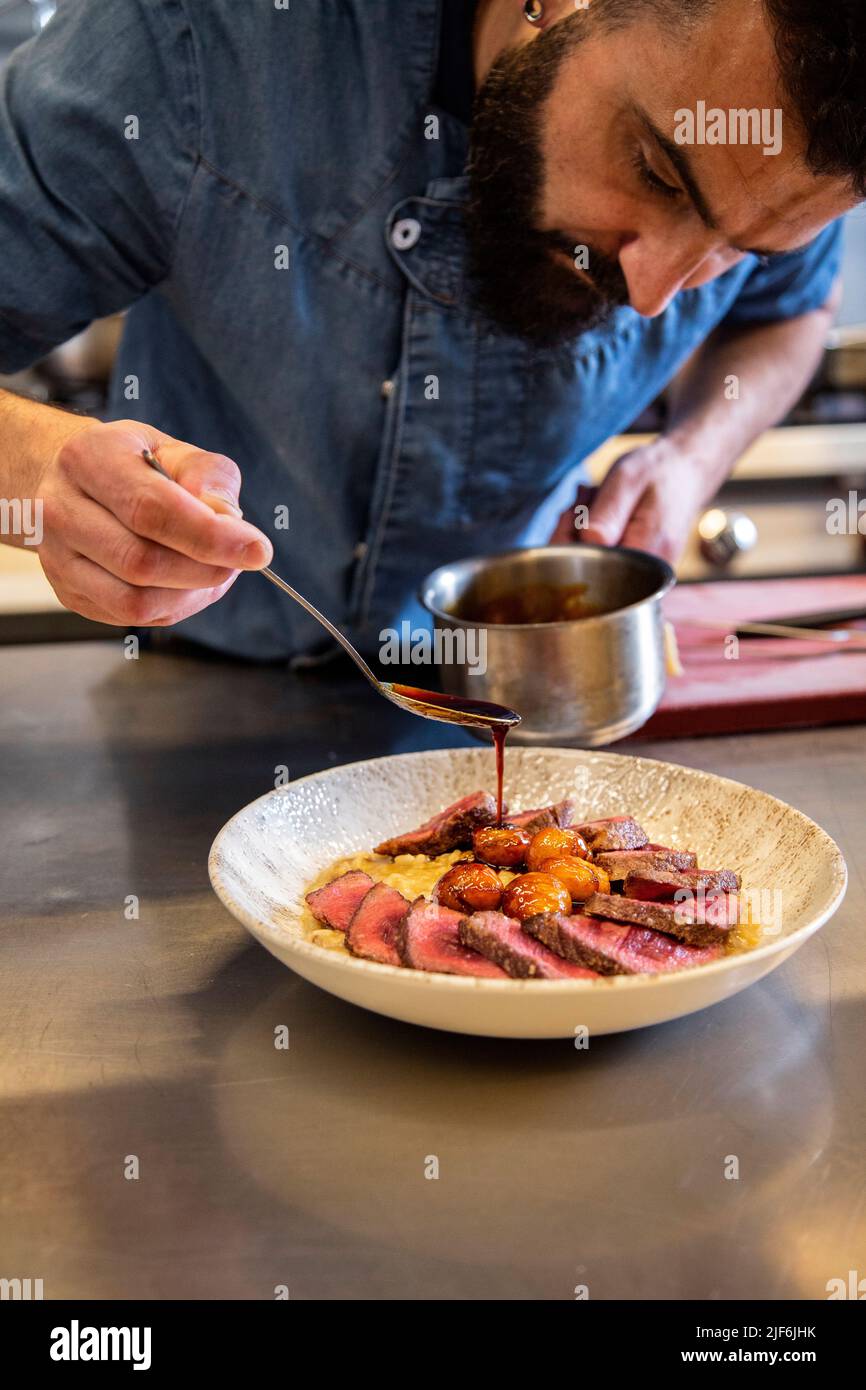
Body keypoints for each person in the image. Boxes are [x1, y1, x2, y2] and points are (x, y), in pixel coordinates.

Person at [0, 0, 860, 661]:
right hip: (200, 696)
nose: (650, 293)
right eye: (657, 172)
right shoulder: (202, 42)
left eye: (739, 250)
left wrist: (694, 455)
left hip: (515, 702)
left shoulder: (773, 155)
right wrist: (39, 468)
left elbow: (790, 318)